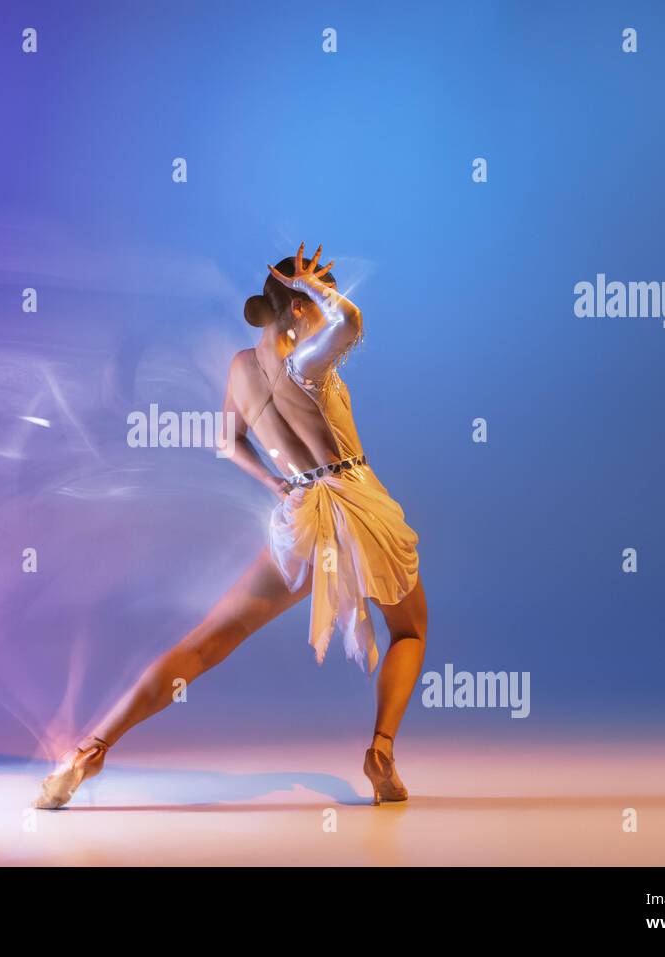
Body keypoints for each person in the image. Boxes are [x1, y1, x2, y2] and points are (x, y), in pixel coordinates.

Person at [36, 244, 425, 808]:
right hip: (356, 506)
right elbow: (352, 321)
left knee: (207, 644)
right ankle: (381, 751)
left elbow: (229, 443)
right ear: (297, 309)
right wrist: (321, 290)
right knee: (409, 631)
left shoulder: (242, 367)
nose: (322, 312)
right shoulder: (306, 364)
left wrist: (277, 486)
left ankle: (88, 752)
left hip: (303, 517)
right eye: (312, 303)